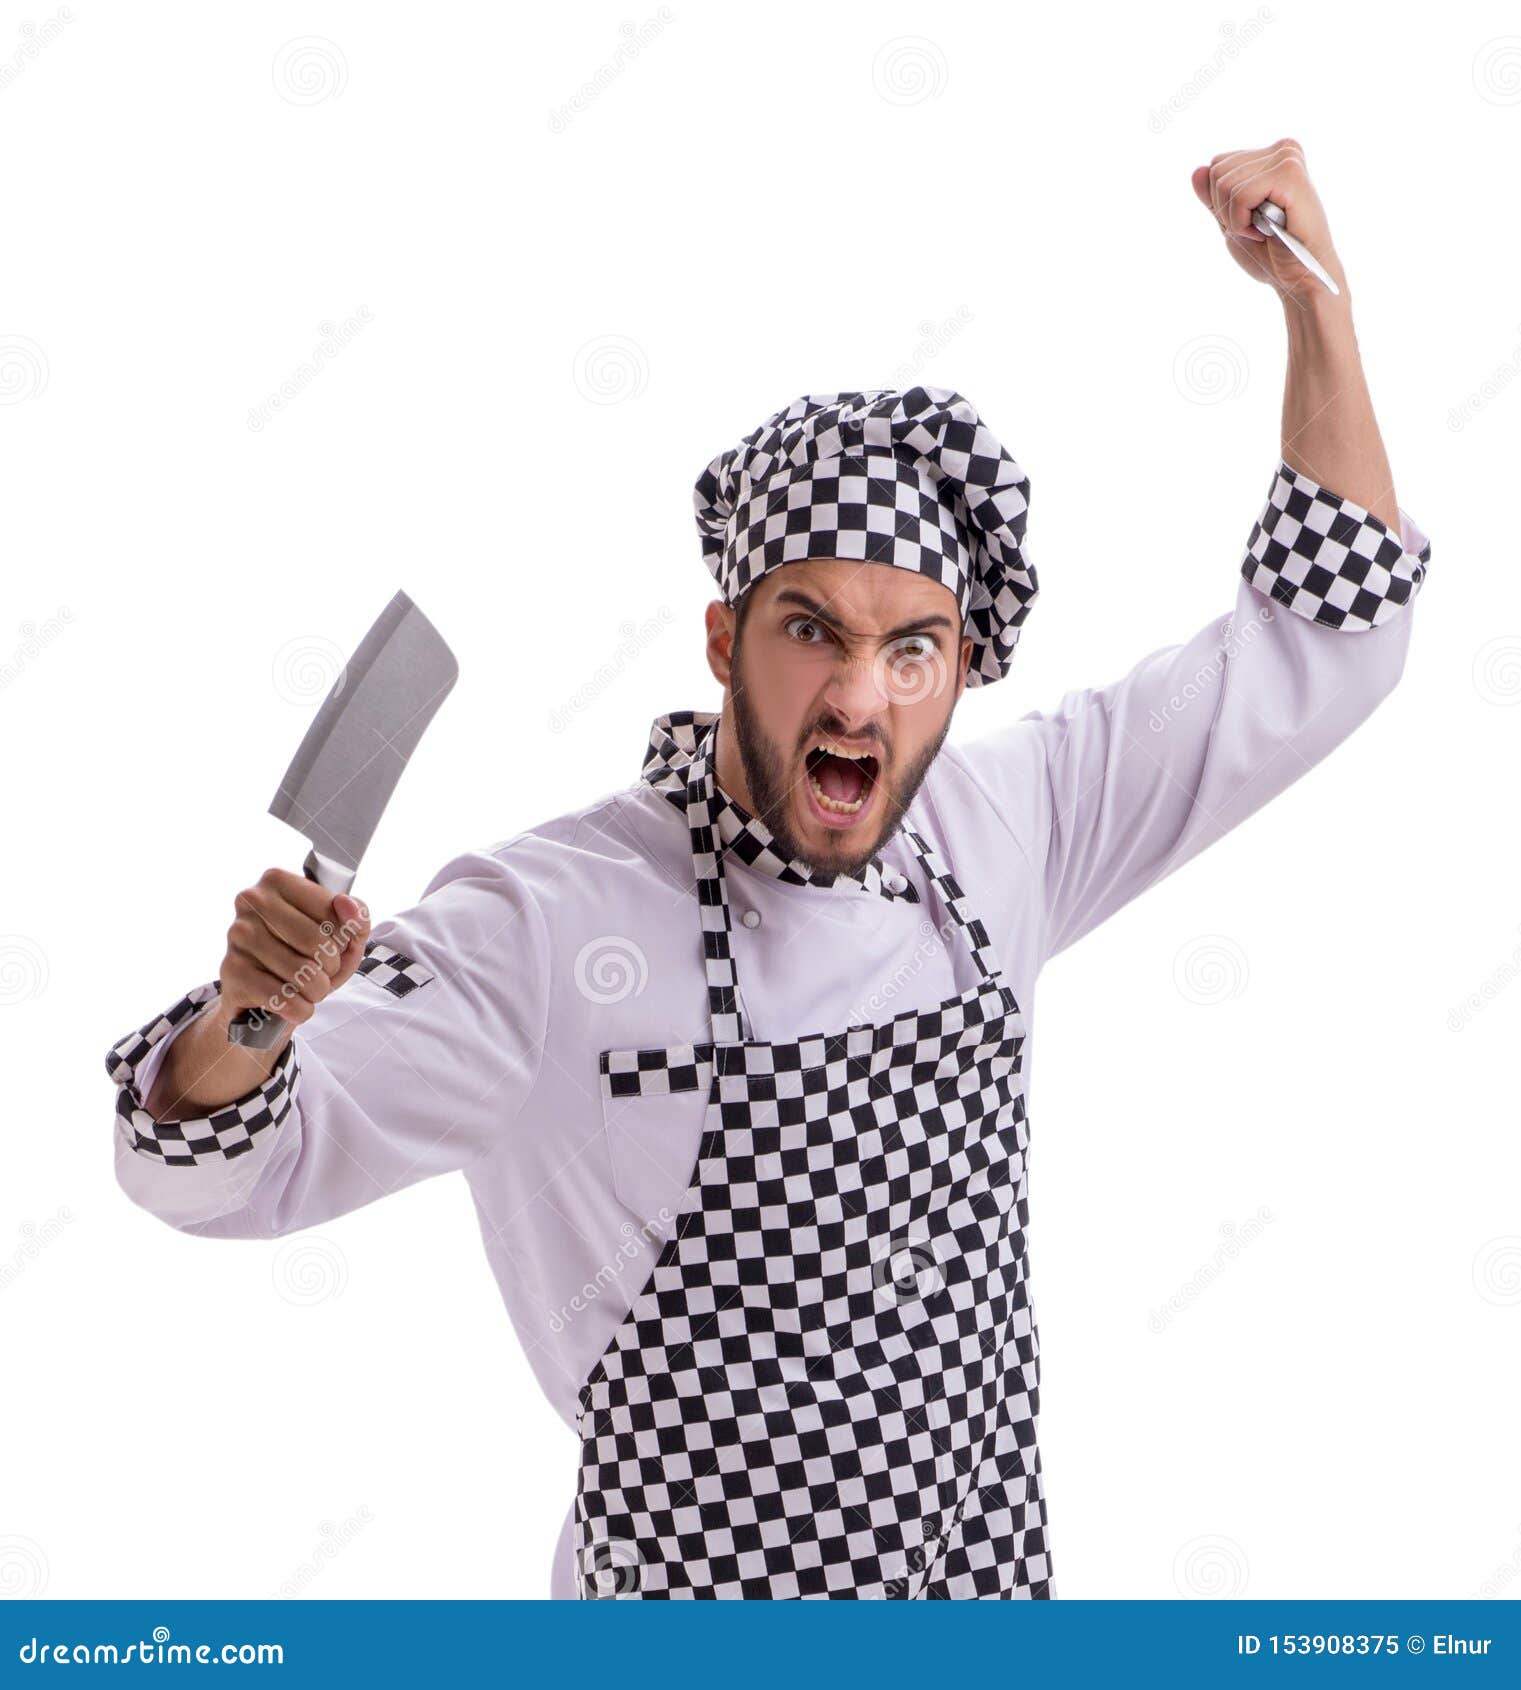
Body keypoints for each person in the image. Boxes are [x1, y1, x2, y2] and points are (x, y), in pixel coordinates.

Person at [106, 141, 1430, 1599]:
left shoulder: (1013, 827)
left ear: (965, 667)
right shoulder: (544, 921)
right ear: (725, 640)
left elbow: (1325, 647)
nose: (859, 698)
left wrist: (1316, 304)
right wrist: (253, 1015)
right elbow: (221, 1176)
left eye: (909, 648)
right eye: (812, 630)